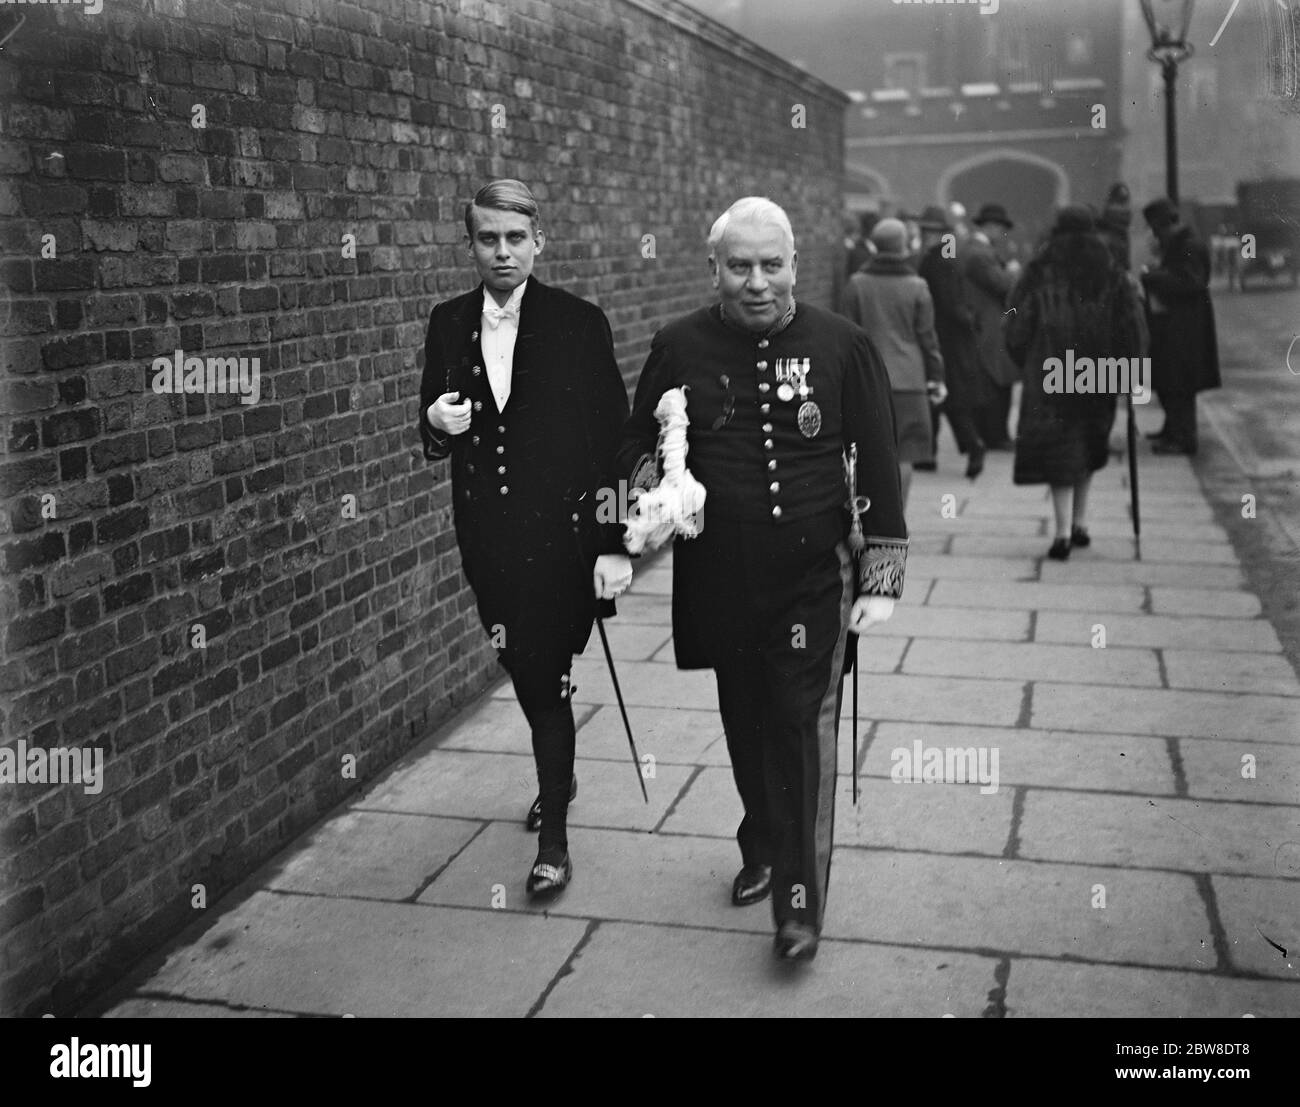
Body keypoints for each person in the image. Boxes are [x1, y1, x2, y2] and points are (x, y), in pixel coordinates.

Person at [618, 197, 908, 962]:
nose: (756, 282)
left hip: (814, 577)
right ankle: (763, 842)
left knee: (802, 727)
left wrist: (880, 575)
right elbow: (635, 446)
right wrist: (643, 505)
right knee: (747, 722)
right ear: (714, 268)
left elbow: (878, 463)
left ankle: (799, 906)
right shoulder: (678, 345)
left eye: (771, 265)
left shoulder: (841, 345)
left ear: (794, 266)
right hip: (718, 575)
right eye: (739, 266)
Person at [418, 179, 632, 898]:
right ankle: (560, 771)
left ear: (539, 242)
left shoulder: (578, 322)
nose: (502, 252)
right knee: (526, 666)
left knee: (544, 673)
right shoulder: (448, 322)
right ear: (471, 244)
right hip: (489, 541)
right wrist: (434, 426)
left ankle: (554, 841)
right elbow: (434, 423)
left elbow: (615, 442)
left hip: (565, 541)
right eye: (488, 238)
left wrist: (614, 545)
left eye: (515, 239)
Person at [1004, 204, 1147, 559]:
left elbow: (1015, 323)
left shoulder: (1038, 270)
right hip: (1098, 372)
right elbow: (1132, 327)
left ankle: (1062, 532)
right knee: (1087, 444)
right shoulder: (1111, 270)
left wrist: (1027, 360)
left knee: (1060, 452)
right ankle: (1081, 523)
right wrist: (1129, 375)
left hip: (1050, 370)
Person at [839, 217, 947, 506]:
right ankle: (898, 518)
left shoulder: (856, 284)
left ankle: (871, 516)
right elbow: (928, 338)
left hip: (868, 380)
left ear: (874, 245)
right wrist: (936, 377)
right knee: (905, 455)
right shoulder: (918, 286)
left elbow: (846, 337)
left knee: (868, 453)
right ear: (903, 247)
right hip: (910, 381)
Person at [1140, 197, 1221, 455]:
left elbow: (1190, 282)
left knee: (1180, 385)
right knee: (1170, 381)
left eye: (1157, 229)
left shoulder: (1189, 246)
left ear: (1168, 224)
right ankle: (1172, 429)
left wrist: (1152, 277)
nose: (1155, 235)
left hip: (1186, 328)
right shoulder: (1180, 244)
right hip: (1176, 325)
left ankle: (1183, 438)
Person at [916, 204, 986, 479]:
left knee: (945, 396)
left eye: (927, 230)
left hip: (943, 339)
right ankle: (928, 453)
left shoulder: (936, 260)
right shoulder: (946, 256)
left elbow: (947, 302)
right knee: (938, 397)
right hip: (948, 339)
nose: (923, 234)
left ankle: (972, 446)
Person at [963, 202, 1021, 449]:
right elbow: (1002, 284)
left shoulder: (979, 250)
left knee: (992, 381)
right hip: (989, 325)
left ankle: (992, 434)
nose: (1001, 233)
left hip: (987, 323)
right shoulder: (979, 253)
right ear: (990, 227)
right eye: (1000, 227)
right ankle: (995, 436)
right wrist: (1013, 271)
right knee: (996, 381)